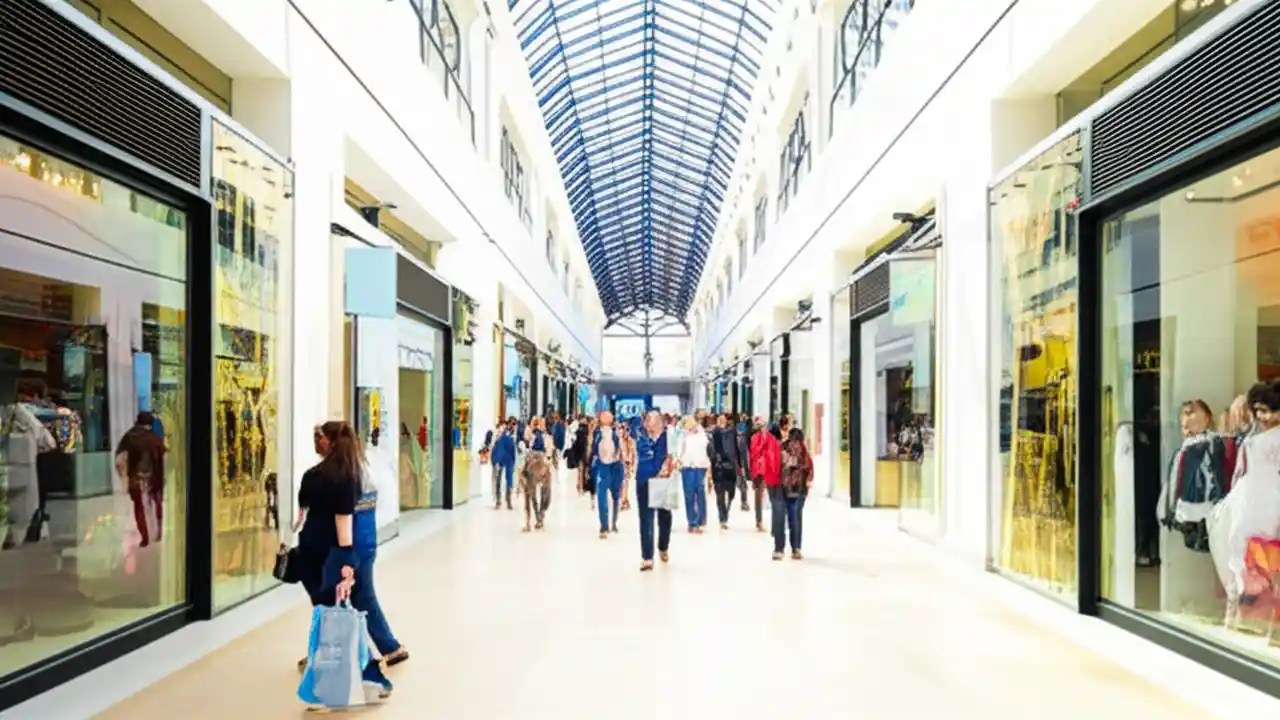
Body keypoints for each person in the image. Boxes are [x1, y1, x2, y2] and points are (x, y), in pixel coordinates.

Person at [295, 421, 399, 695]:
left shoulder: (315, 476)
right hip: (347, 549)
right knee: (349, 606)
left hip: (320, 552)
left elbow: (302, 519)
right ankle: (377, 660)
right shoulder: (357, 475)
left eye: (319, 437)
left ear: (328, 442)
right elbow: (348, 523)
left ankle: (359, 667)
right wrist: (348, 559)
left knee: (332, 608)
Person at [115, 412, 166, 547]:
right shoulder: (154, 438)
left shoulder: (128, 436)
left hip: (134, 477)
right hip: (153, 476)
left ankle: (145, 537)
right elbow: (163, 454)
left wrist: (123, 475)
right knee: (156, 502)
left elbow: (119, 456)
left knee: (138, 506)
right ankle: (158, 531)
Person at [635, 411, 673, 571]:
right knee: (646, 518)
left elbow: (674, 456)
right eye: (647, 420)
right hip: (643, 480)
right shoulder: (641, 437)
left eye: (651, 420)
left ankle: (663, 546)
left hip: (662, 480)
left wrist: (668, 467)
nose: (648, 423)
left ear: (660, 422)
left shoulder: (669, 437)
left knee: (664, 515)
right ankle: (647, 557)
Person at [774, 427, 812, 560]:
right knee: (795, 518)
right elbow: (809, 469)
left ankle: (779, 550)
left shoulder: (781, 448)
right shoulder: (803, 450)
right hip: (798, 489)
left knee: (779, 519)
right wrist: (807, 482)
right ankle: (796, 549)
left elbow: (775, 466)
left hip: (782, 487)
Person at [591, 410, 624, 537]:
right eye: (603, 415)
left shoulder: (617, 432)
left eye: (609, 415)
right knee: (602, 496)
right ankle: (604, 526)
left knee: (616, 496)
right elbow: (593, 448)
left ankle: (614, 522)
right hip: (602, 466)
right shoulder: (597, 432)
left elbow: (621, 447)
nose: (606, 417)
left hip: (615, 466)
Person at [676, 416, 710, 533]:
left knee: (700, 492)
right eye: (687, 423)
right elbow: (679, 451)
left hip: (700, 467)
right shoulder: (682, 436)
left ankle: (701, 519)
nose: (690, 425)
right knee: (689, 494)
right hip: (687, 467)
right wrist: (679, 461)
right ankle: (692, 521)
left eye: (692, 422)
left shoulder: (701, 434)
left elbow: (706, 449)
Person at [711, 413, 743, 530]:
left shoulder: (732, 432)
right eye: (719, 420)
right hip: (718, 467)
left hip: (730, 467)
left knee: (731, 493)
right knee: (720, 494)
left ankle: (726, 512)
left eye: (723, 420)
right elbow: (711, 451)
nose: (721, 422)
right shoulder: (713, 434)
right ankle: (722, 518)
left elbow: (736, 449)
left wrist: (740, 465)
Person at [750, 417, 781, 539]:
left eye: (763, 425)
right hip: (760, 470)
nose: (762, 428)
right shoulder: (755, 438)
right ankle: (759, 521)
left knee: (771, 497)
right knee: (760, 495)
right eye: (760, 425)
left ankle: (772, 524)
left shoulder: (770, 438)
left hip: (768, 469)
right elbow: (754, 454)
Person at [490, 419, 517, 510]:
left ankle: (508, 500)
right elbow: (494, 445)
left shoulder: (513, 435)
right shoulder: (500, 433)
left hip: (508, 457)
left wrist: (513, 462)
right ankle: (498, 500)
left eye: (514, 424)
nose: (513, 426)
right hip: (500, 457)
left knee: (509, 479)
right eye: (512, 424)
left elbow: (514, 449)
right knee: (498, 478)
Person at [619, 423, 637, 512]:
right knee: (622, 484)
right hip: (620, 465)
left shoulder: (631, 441)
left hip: (627, 466)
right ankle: (624, 500)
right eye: (623, 430)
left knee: (625, 483)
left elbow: (634, 455)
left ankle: (624, 501)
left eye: (627, 430)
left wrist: (633, 466)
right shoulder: (619, 441)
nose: (625, 432)